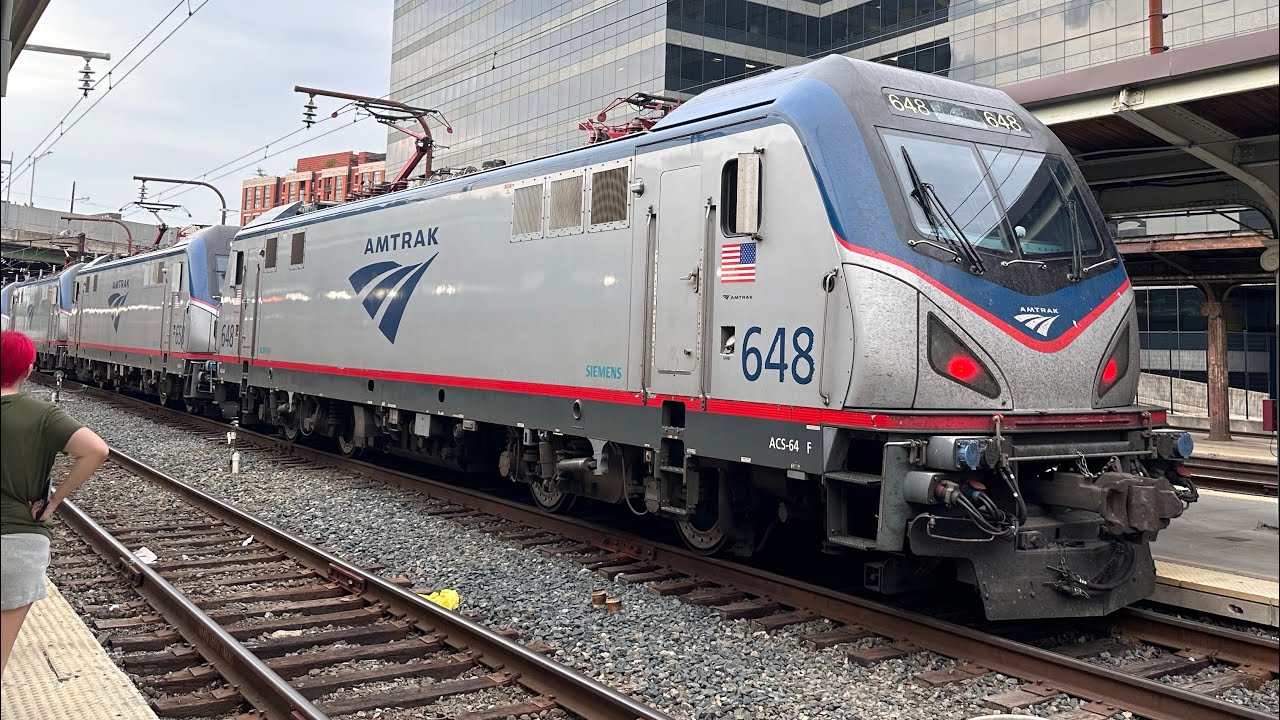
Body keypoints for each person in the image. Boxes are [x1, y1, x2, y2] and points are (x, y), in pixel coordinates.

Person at [1, 330, 109, 676]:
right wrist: (52, 503)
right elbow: (96, 451)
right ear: (28, 369)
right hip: (18, 544)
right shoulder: (43, 415)